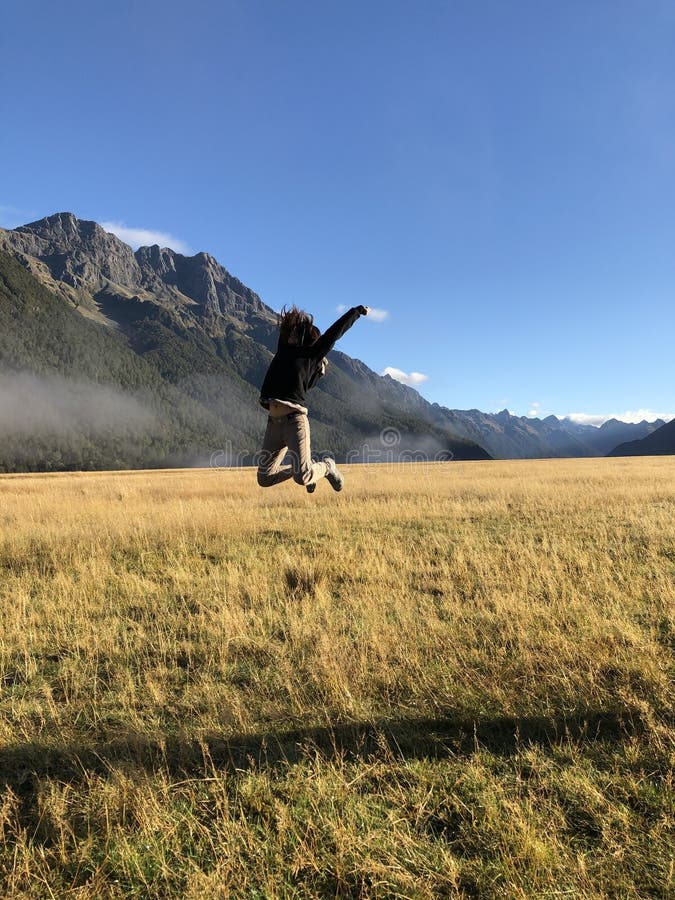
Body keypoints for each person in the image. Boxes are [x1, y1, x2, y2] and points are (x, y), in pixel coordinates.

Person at [257, 304, 370, 492]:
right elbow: (285, 327)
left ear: (303, 338)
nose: (291, 335)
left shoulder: (311, 356)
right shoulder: (283, 349)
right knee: (265, 478)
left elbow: (334, 333)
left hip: (295, 423)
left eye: (296, 333)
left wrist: (356, 311)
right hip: (273, 424)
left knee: (302, 477)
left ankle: (327, 467)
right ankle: (309, 470)